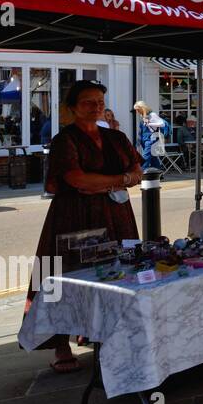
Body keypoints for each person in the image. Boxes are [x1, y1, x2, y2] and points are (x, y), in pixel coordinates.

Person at [27, 80, 141, 372]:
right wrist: (119, 179)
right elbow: (76, 179)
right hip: (74, 215)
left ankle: (104, 332)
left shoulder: (116, 137)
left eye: (100, 101)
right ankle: (60, 342)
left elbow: (137, 172)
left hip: (115, 214)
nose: (96, 107)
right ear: (73, 108)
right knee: (65, 275)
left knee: (117, 270)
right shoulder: (65, 140)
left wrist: (108, 183)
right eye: (89, 102)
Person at [132, 101, 165, 171]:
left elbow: (162, 124)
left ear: (142, 108)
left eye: (138, 110)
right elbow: (141, 130)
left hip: (150, 139)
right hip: (144, 140)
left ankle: (140, 173)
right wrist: (138, 140)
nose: (137, 112)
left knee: (145, 157)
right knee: (153, 157)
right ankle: (159, 173)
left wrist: (149, 124)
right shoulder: (143, 116)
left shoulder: (152, 114)